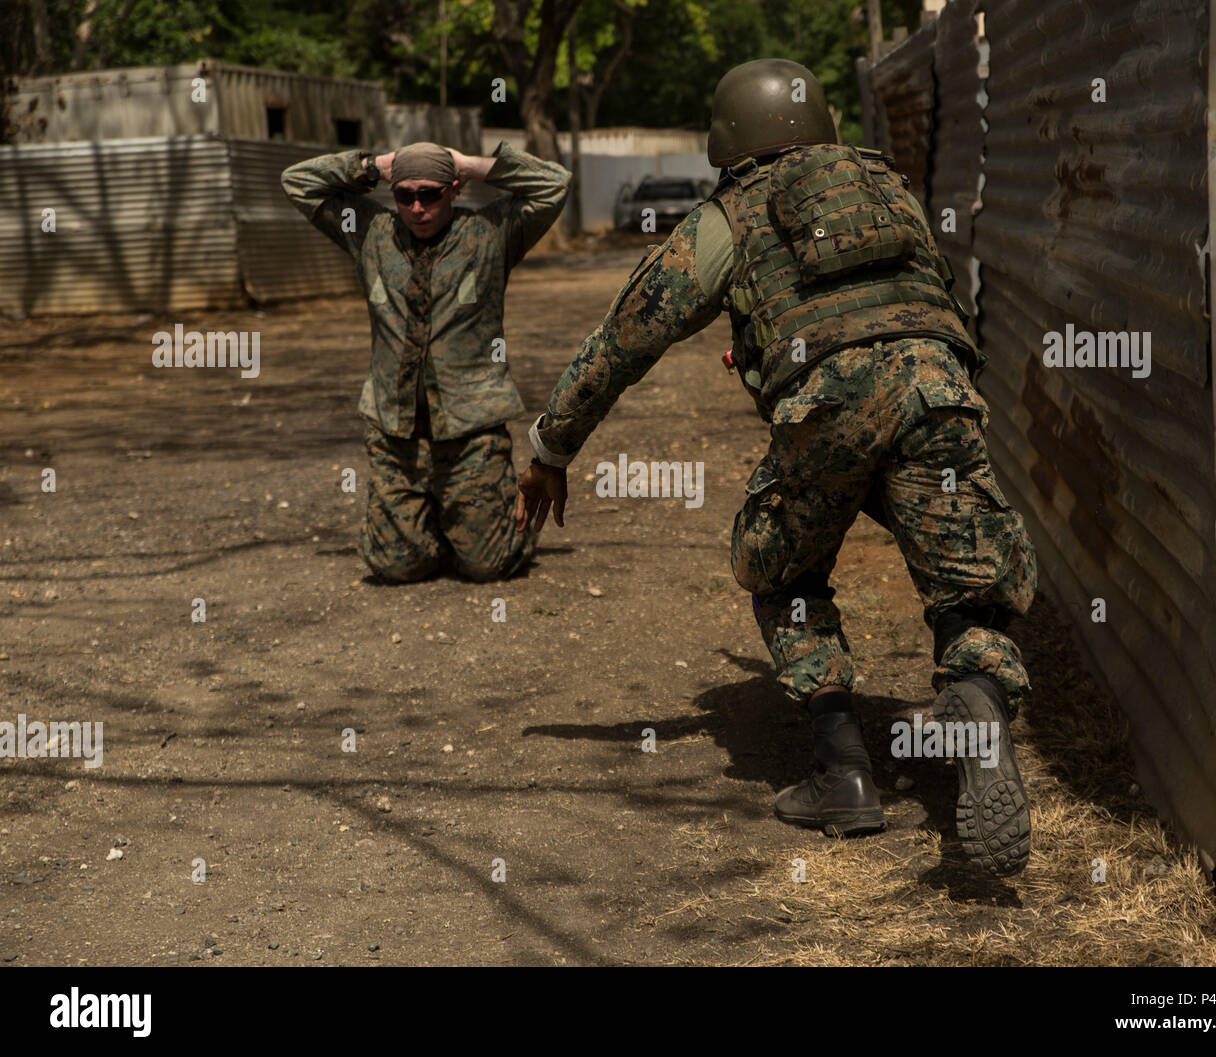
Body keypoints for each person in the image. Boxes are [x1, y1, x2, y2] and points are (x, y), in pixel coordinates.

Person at [515, 59, 1038, 876]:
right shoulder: (885, 185)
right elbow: (932, 304)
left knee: (780, 565)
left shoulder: (731, 213)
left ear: (726, 138)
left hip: (827, 415)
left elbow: (627, 336)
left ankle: (845, 773)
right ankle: (977, 695)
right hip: (939, 390)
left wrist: (551, 447)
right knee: (970, 578)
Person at [282, 138, 570, 583]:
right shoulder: (370, 233)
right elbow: (297, 182)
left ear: (453, 190)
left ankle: (481, 525)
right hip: (396, 436)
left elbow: (554, 184)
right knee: (395, 567)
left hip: (470, 434)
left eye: (430, 194)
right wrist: (374, 166)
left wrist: (474, 164)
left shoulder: (491, 234)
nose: (417, 207)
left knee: (487, 566)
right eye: (405, 195)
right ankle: (433, 523)